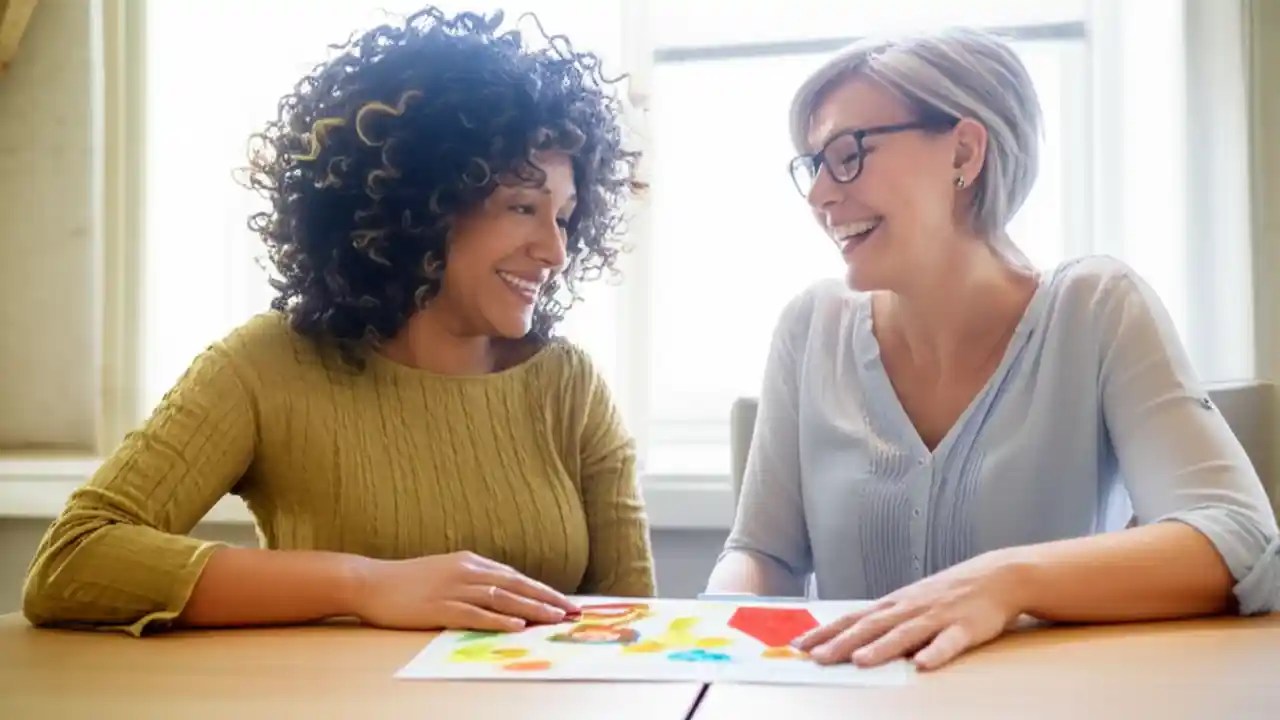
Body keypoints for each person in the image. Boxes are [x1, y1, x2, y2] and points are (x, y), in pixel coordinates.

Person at [23, 6, 655, 636]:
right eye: (523, 206)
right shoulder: (266, 366)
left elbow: (639, 635)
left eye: (565, 217)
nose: (555, 250)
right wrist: (366, 584)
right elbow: (73, 559)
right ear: (420, 203)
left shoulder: (570, 388)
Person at [706, 27, 1279, 670]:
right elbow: (765, 554)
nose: (819, 195)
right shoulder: (810, 328)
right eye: (812, 166)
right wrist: (709, 635)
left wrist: (1005, 582)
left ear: (965, 152)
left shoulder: (1096, 308)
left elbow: (1241, 542)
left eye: (847, 154)